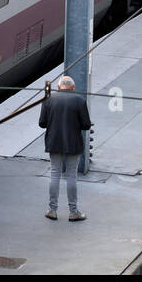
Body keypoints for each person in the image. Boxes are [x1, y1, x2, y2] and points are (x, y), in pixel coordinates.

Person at [39, 74, 92, 221]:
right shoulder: (80, 101)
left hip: (54, 141)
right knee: (71, 176)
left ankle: (52, 209)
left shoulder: (48, 99)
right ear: (73, 88)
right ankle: (73, 211)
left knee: (55, 174)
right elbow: (86, 125)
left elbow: (42, 123)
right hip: (73, 142)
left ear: (58, 87)